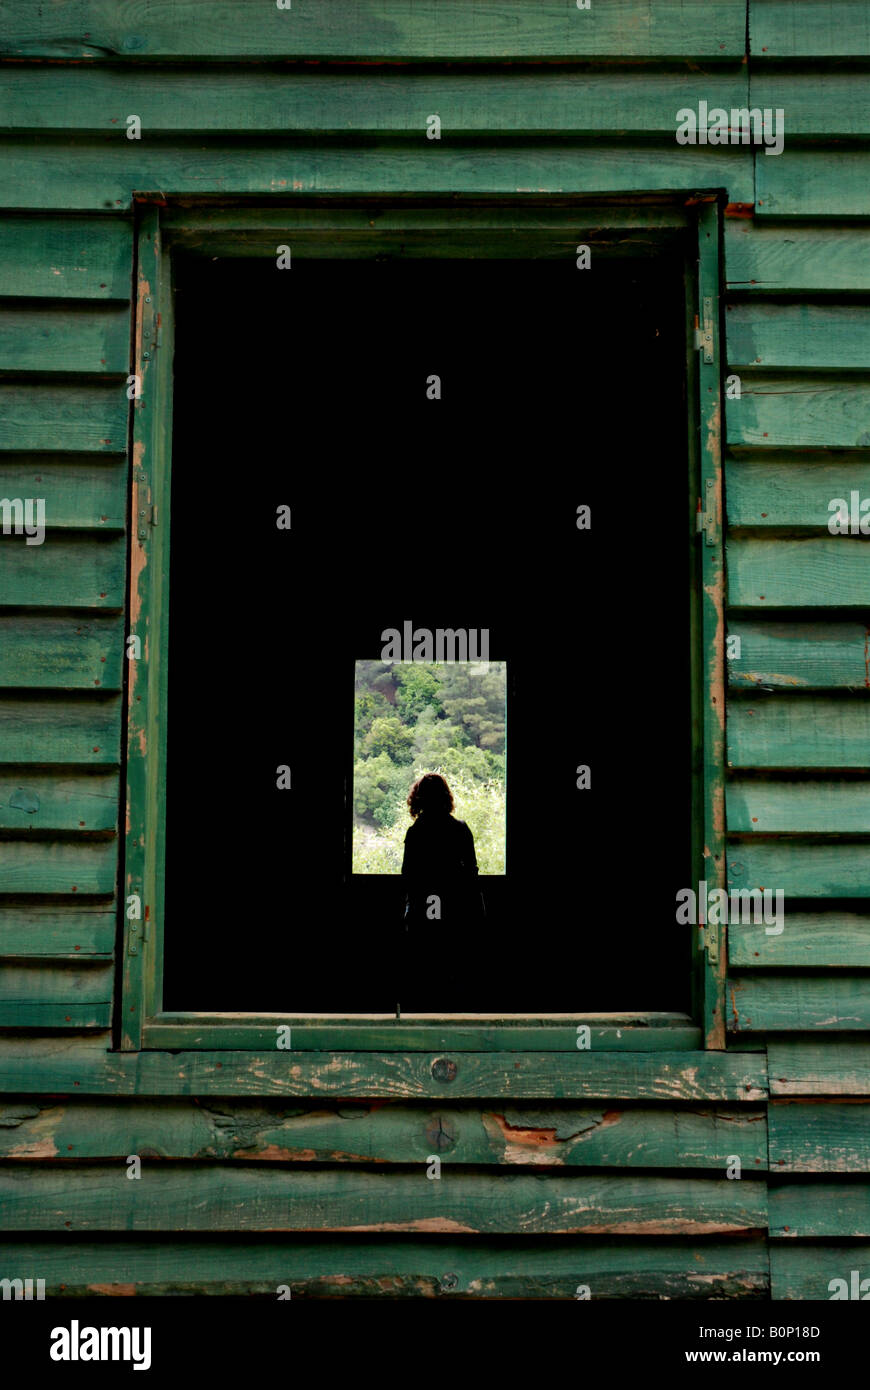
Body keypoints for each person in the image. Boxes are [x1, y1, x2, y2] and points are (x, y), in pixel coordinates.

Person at [400, 773, 484, 929]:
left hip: (421, 908)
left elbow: (408, 875)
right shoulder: (460, 829)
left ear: (419, 798)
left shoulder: (415, 832)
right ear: (445, 796)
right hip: (455, 909)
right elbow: (471, 874)